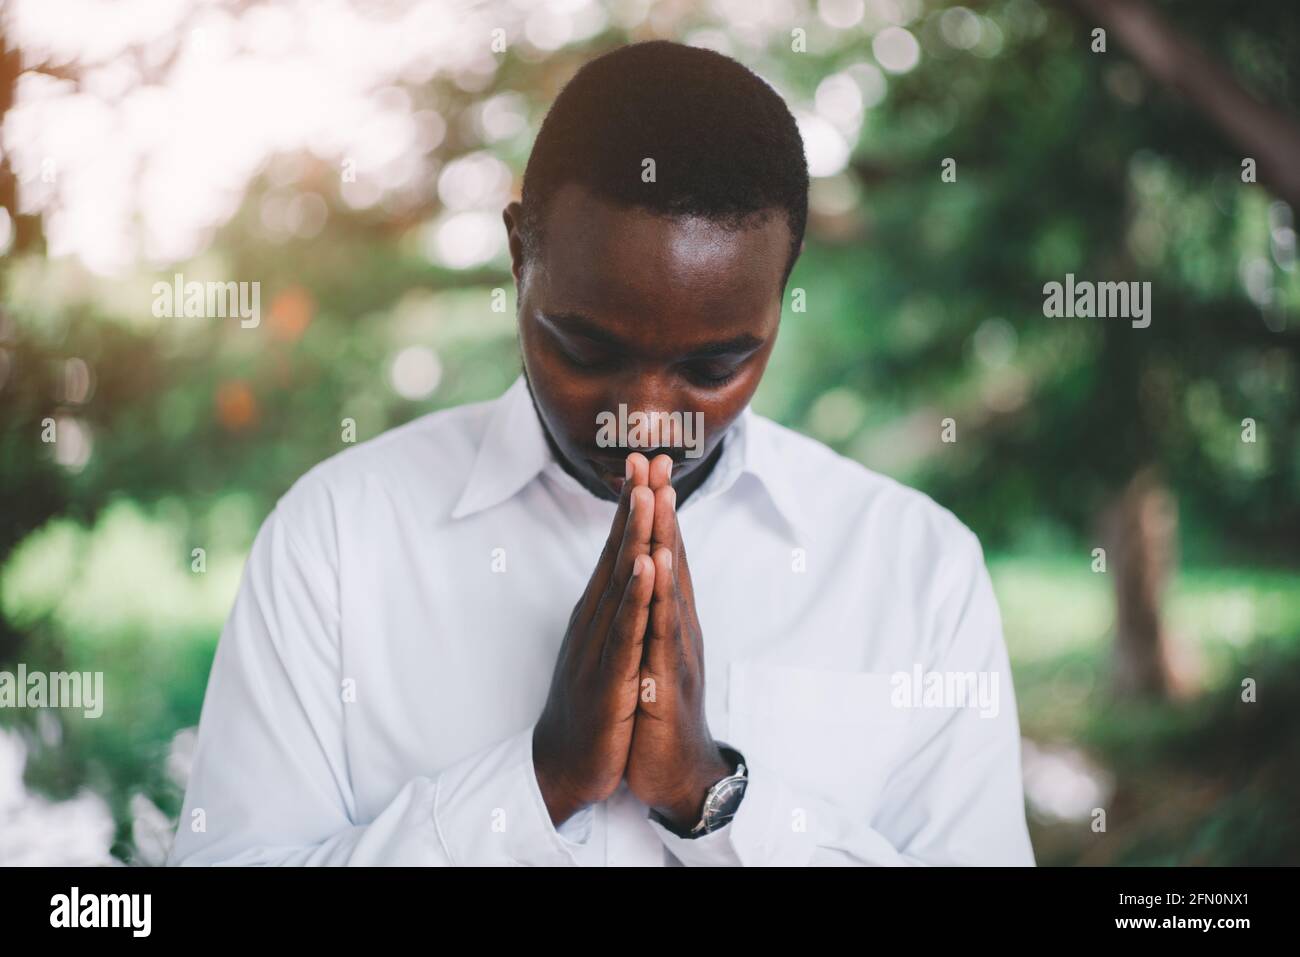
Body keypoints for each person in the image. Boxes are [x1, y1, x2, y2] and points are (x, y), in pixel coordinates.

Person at [169, 40, 1034, 866]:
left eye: (712, 365)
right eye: (587, 351)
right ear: (519, 257)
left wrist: (711, 794)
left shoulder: (919, 569)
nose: (646, 419)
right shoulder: (336, 541)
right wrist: (536, 782)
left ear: (781, 296)